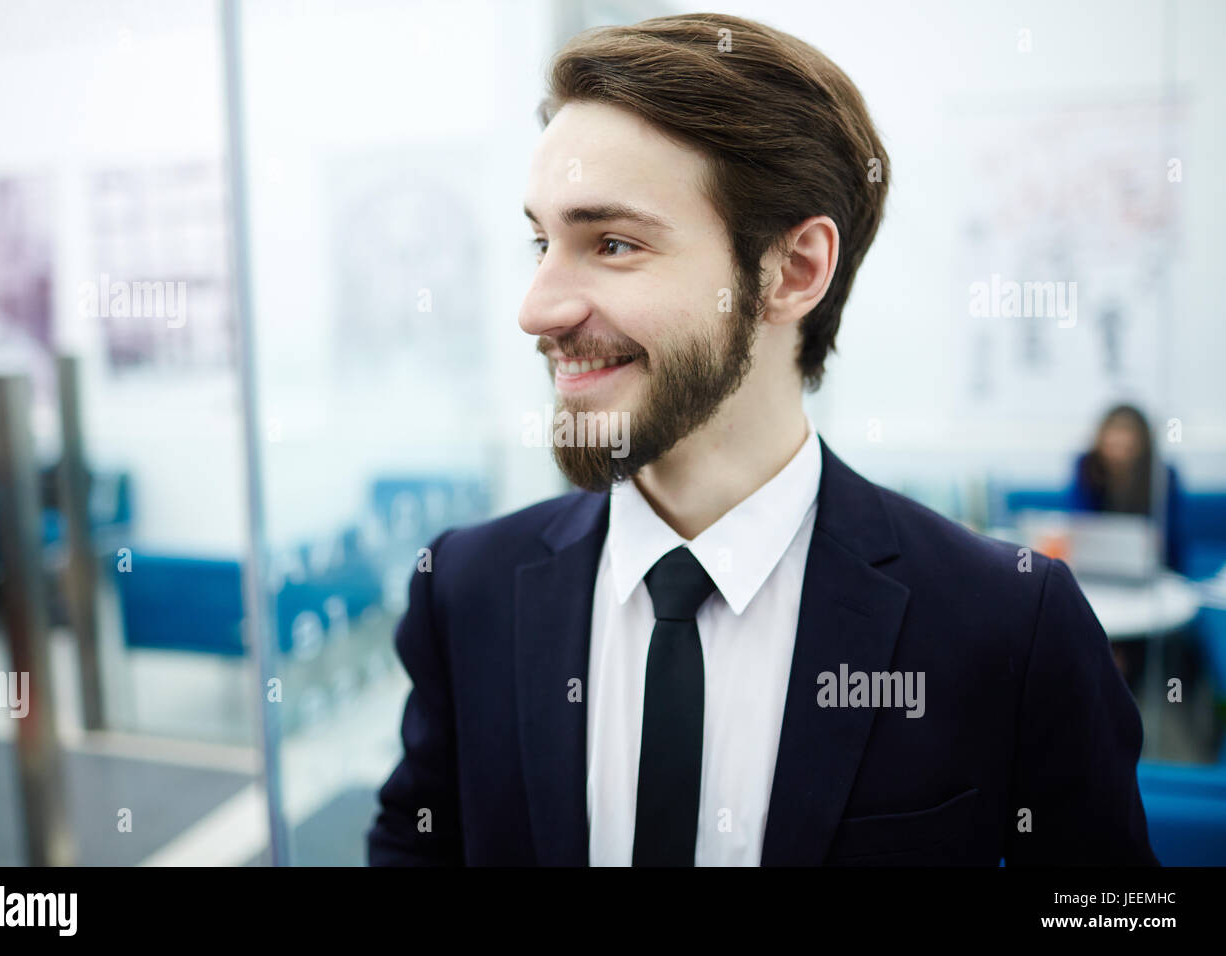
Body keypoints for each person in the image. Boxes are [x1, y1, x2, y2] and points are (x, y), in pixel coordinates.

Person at [367, 13, 1157, 866]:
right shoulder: (466, 592)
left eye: (614, 242)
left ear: (794, 272)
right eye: (541, 242)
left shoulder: (1006, 626)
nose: (537, 308)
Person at [1067, 404, 1189, 689]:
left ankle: (1125, 685)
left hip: (1149, 580)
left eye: (1127, 437)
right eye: (1113, 435)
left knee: (1134, 648)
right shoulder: (1086, 468)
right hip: (1095, 579)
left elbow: (1173, 543)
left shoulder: (1161, 476)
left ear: (1141, 441)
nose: (1118, 445)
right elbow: (1079, 529)